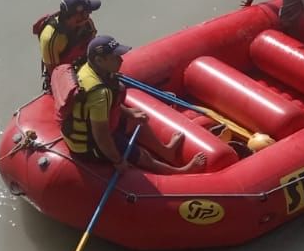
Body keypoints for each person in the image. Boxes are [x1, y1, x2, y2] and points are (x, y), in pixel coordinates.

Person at [60, 35, 207, 174]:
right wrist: (117, 160)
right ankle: (182, 171)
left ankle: (165, 151)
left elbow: (108, 107)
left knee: (137, 118)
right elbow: (102, 136)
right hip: (90, 145)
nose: (121, 60)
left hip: (95, 127)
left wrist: (130, 113)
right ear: (99, 60)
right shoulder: (98, 93)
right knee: (144, 157)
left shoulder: (91, 69)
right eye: (115, 57)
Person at [34, 0, 101, 92]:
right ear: (76, 16)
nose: (89, 14)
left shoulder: (87, 23)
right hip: (66, 75)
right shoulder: (50, 38)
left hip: (85, 65)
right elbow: (54, 71)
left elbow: (94, 48)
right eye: (87, 12)